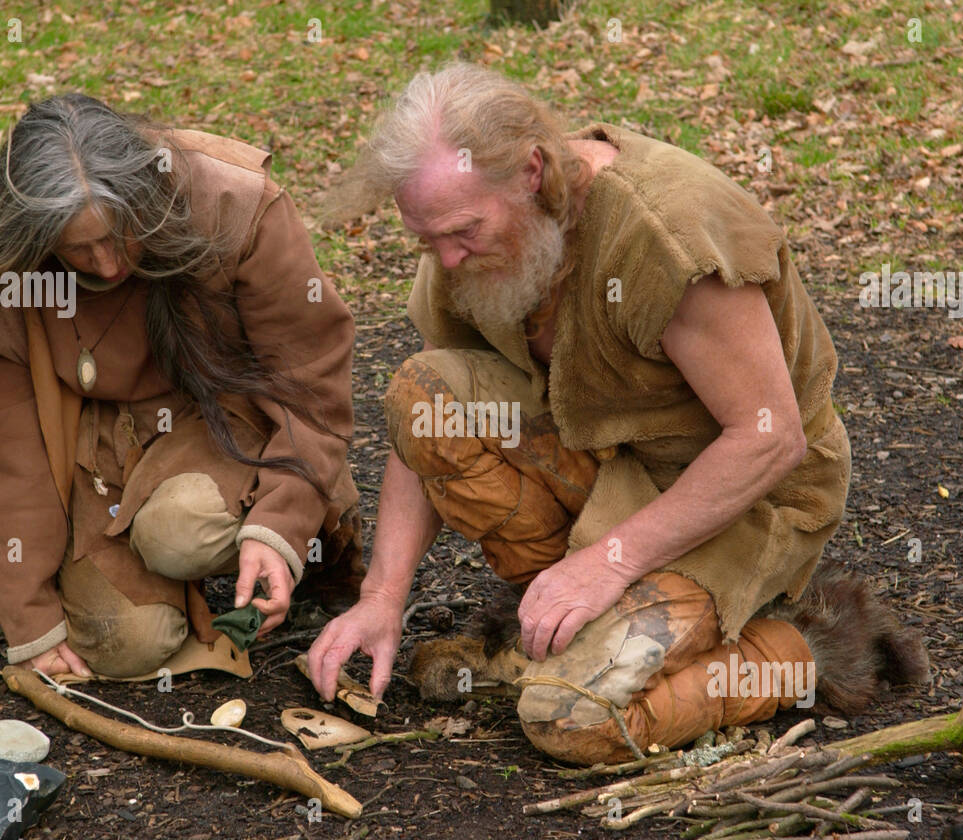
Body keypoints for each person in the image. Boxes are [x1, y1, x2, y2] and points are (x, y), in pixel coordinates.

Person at [308, 64, 927, 765]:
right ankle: (573, 621)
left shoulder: (664, 236)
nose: (447, 257)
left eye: (461, 232)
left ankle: (803, 649)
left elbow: (770, 437)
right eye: (427, 240)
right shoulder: (465, 236)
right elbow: (428, 413)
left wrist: (611, 559)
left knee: (573, 719)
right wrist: (382, 595)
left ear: (533, 172)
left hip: (746, 493)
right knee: (424, 394)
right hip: (602, 458)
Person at [0, 94, 363, 679]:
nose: (106, 266)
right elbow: (15, 452)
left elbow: (309, 380)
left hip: (222, 417)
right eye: (78, 248)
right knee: (123, 647)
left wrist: (280, 525)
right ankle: (186, 583)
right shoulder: (7, 271)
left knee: (179, 535)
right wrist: (30, 620)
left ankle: (316, 514)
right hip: (99, 452)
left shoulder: (232, 205)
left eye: (119, 235)